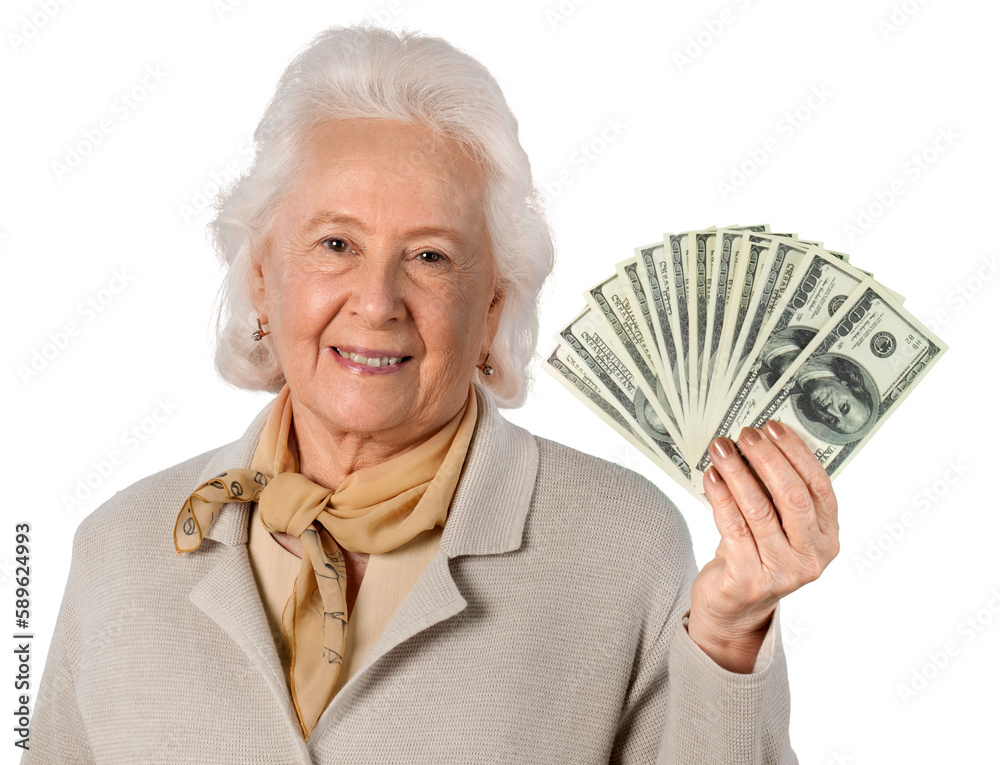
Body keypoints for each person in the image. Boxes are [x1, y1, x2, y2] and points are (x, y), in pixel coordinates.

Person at [25, 26, 839, 764]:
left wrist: (729, 636)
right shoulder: (121, 549)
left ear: (493, 309)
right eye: (336, 243)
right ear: (263, 280)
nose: (377, 301)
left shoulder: (622, 547)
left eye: (431, 257)